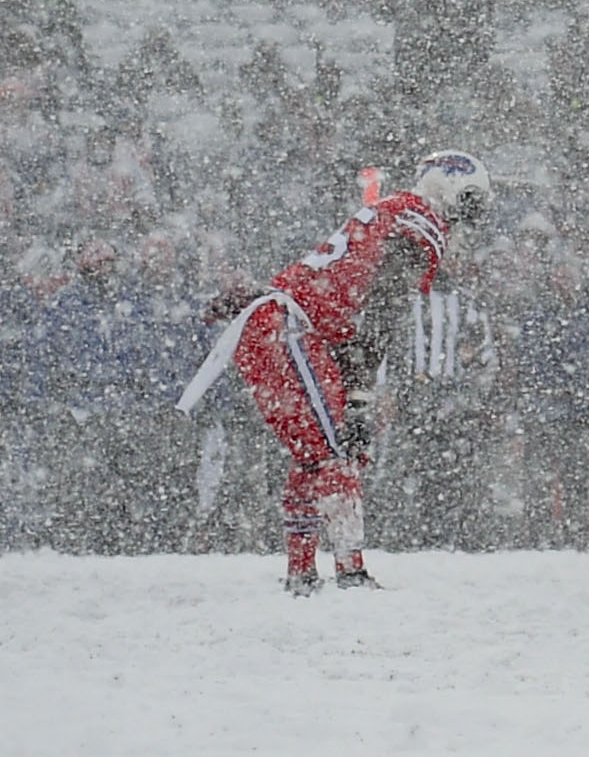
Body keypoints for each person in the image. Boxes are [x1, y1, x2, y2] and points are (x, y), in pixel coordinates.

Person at [191, 151, 489, 592]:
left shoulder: (392, 209)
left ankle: (302, 571)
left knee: (315, 456)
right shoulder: (420, 221)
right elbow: (383, 306)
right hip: (289, 328)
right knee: (337, 453)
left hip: (280, 324)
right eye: (469, 198)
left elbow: (338, 281)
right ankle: (349, 570)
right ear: (447, 185)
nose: (467, 216)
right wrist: (360, 398)